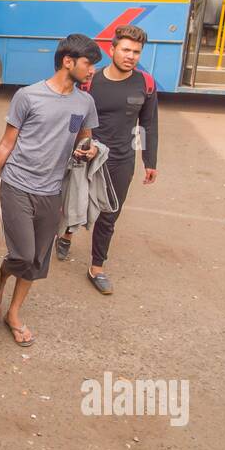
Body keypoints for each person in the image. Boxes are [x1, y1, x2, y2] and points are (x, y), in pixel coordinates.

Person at [0, 34, 101, 346]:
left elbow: (86, 137)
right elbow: (6, 144)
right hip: (17, 184)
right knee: (24, 254)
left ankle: (13, 313)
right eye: (88, 63)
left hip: (52, 189)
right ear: (68, 62)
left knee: (38, 260)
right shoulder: (28, 96)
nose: (93, 69)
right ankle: (1, 279)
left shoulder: (85, 101)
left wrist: (89, 149)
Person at [55, 25, 159, 295]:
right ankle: (66, 234)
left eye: (136, 52)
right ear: (112, 50)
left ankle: (97, 268)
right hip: (87, 155)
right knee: (75, 201)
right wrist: (74, 147)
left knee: (109, 214)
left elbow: (147, 124)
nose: (131, 56)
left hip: (122, 159)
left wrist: (150, 161)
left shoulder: (145, 84)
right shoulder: (91, 81)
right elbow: (75, 116)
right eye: (126, 50)